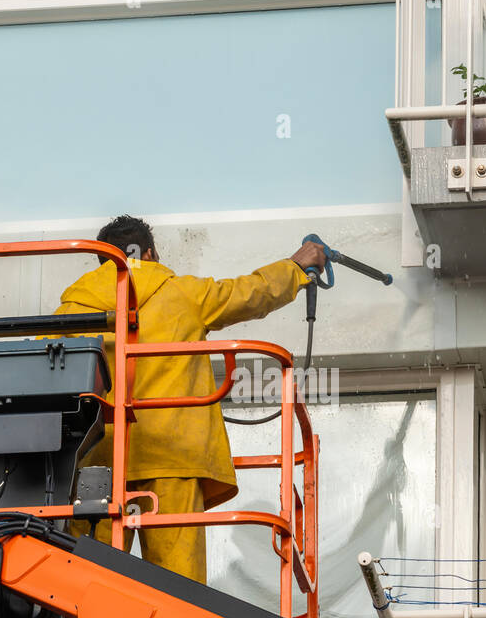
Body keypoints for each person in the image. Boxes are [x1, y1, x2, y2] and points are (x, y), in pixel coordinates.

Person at [57, 215, 326, 584]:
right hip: (173, 459)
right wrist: (296, 267)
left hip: (97, 464)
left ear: (103, 260)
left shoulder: (72, 308)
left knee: (86, 584)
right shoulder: (181, 292)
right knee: (178, 588)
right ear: (149, 253)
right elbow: (248, 293)